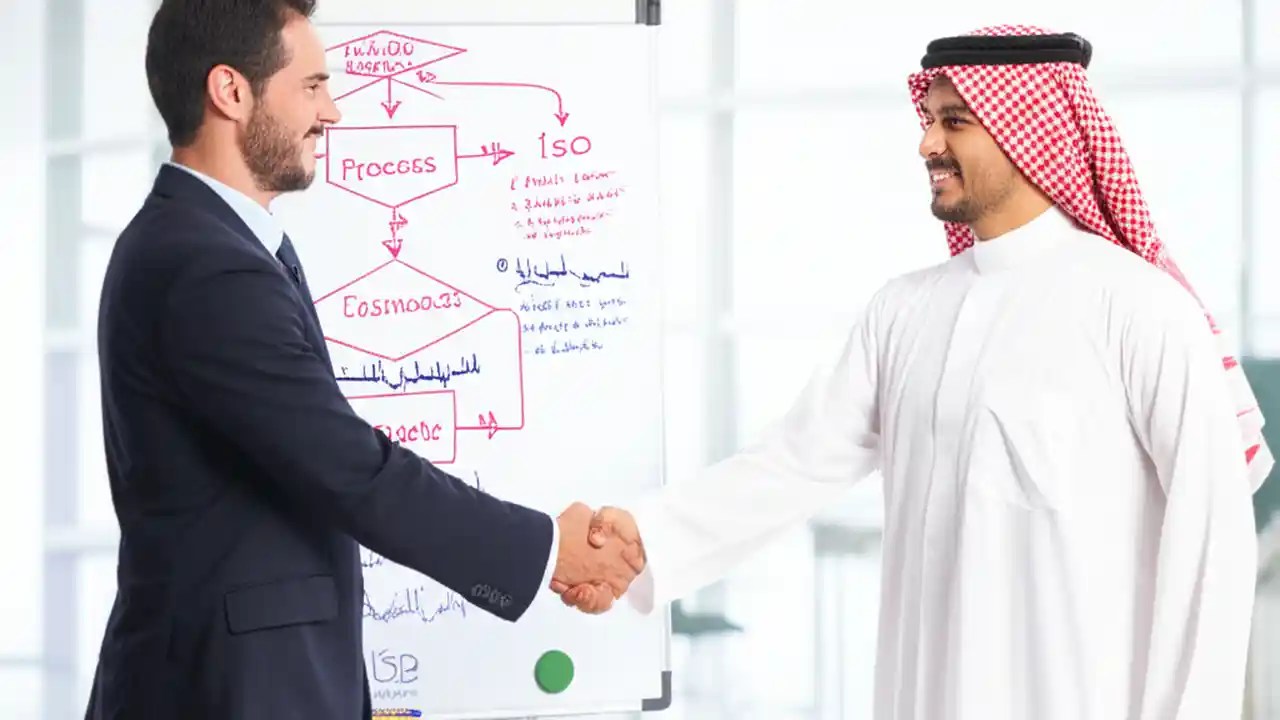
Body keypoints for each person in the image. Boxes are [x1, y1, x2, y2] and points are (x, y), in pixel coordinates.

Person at [553, 25, 1272, 720]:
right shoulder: (905, 310)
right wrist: (643, 539)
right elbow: (791, 466)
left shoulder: (1140, 307)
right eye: (929, 119)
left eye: (954, 121)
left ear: (1033, 133)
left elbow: (1212, 547)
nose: (927, 142)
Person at [85, 1, 643, 718]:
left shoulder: (212, 245)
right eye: (312, 86)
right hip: (229, 689)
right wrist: (543, 551)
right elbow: (346, 468)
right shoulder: (202, 264)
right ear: (231, 91)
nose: (334, 113)